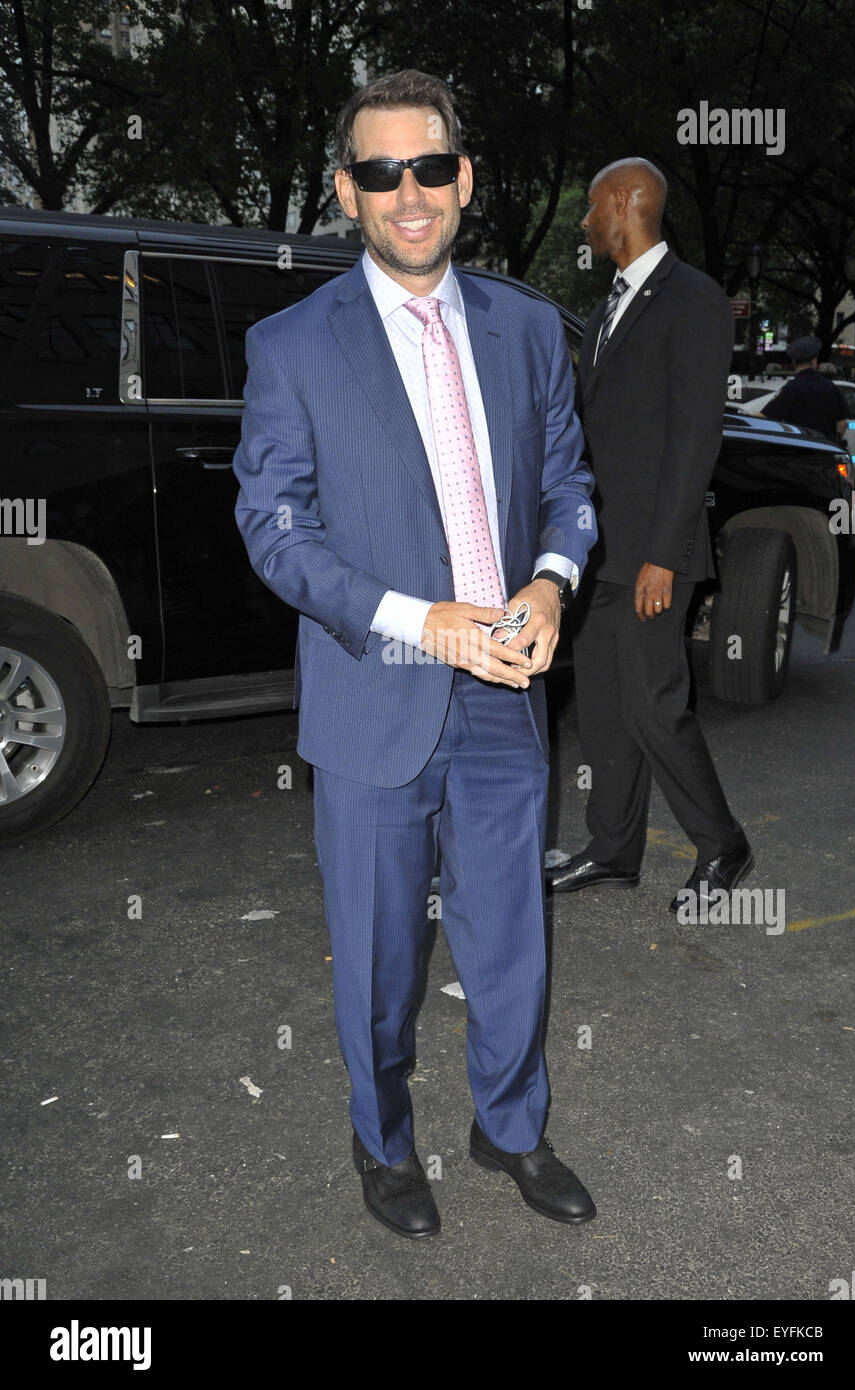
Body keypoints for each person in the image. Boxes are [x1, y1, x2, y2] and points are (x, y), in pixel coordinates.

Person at [233, 70, 598, 1239]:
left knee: (510, 941)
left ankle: (511, 1127)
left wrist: (552, 580)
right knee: (383, 960)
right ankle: (383, 1140)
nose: (409, 194)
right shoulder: (293, 345)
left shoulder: (531, 326)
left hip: (504, 692)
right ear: (348, 191)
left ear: (464, 179)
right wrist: (415, 617)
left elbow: (569, 490)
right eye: (381, 173)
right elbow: (274, 528)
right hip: (369, 701)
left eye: (429, 168)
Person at [547, 158, 753, 912]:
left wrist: (663, 556)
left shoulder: (692, 300)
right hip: (602, 549)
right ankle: (612, 850)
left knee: (652, 703)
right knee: (602, 706)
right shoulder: (608, 306)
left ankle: (722, 844)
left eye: (591, 206)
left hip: (652, 552)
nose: (582, 222)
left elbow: (695, 437)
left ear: (626, 201)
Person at [762, 335, 848, 441]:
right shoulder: (831, 387)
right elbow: (842, 423)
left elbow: (766, 416)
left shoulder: (791, 388)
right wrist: (836, 441)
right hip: (825, 451)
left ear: (793, 361)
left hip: (799, 451)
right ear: (814, 360)